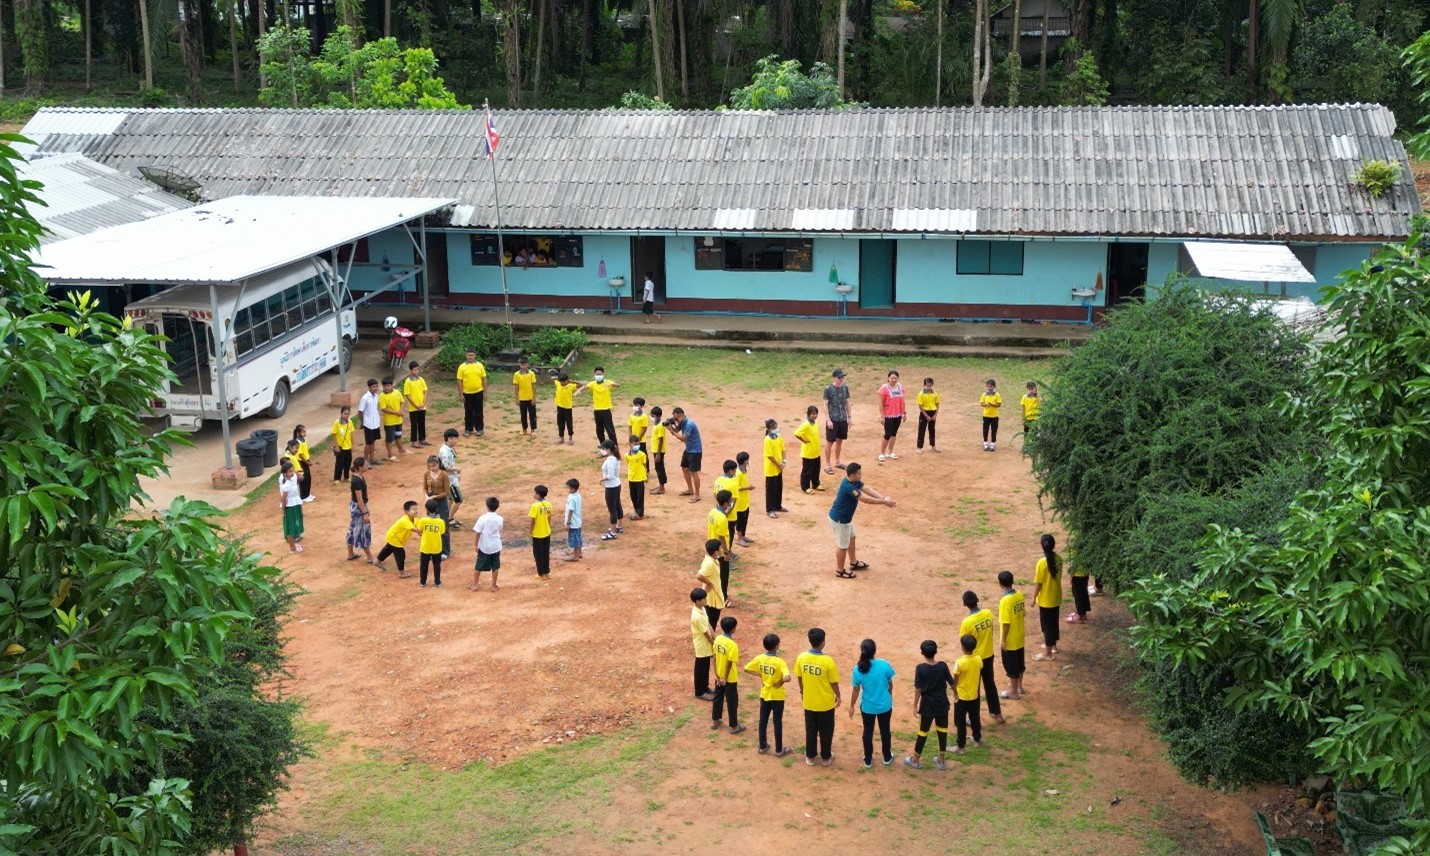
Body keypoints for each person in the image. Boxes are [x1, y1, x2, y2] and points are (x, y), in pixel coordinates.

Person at [827, 462, 896, 579]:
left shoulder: (854, 481)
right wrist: (884, 502)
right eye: (859, 474)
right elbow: (864, 498)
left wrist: (883, 497)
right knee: (842, 545)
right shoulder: (848, 487)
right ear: (852, 475)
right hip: (840, 520)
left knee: (852, 537)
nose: (860, 475)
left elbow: (867, 489)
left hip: (845, 519)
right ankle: (840, 570)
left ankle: (853, 562)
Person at [904, 639, 954, 770]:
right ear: (936, 651)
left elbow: (918, 689)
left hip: (927, 705)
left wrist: (915, 705)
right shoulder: (942, 666)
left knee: (923, 731)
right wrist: (956, 694)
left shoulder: (920, 668)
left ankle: (915, 759)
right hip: (942, 702)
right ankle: (941, 761)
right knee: (942, 731)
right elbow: (952, 682)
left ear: (922, 653)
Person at [795, 627, 841, 766]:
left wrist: (803, 692)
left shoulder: (802, 658)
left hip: (809, 701)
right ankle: (826, 757)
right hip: (825, 704)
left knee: (810, 729)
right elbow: (833, 682)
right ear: (823, 642)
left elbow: (799, 677)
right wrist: (838, 695)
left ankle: (810, 756)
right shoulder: (828, 661)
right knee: (826, 731)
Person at [959, 591, 1006, 724]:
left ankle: (973, 719)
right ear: (977, 599)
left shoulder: (967, 622)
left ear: (964, 604)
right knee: (990, 684)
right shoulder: (988, 613)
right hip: (988, 655)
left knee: (974, 689)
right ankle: (997, 714)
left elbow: (965, 641)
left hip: (975, 659)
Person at [849, 638, 896, 769]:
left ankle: (868, 759)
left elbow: (856, 689)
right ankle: (887, 757)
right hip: (885, 705)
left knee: (867, 731)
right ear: (874, 651)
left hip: (868, 707)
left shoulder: (858, 669)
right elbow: (890, 685)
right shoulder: (884, 665)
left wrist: (852, 706)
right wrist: (889, 697)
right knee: (885, 731)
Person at [744, 633, 793, 756]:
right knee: (777, 722)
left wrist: (760, 675)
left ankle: (762, 746)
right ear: (777, 646)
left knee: (763, 721)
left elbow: (746, 668)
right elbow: (788, 677)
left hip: (764, 694)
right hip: (777, 696)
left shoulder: (760, 658)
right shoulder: (780, 662)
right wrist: (780, 681)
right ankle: (779, 750)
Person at [711, 616, 746, 734]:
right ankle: (733, 726)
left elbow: (714, 657)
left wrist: (716, 675)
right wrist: (725, 678)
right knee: (732, 701)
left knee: (717, 698)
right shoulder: (732, 645)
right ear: (733, 629)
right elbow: (730, 663)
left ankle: (715, 720)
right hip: (729, 678)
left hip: (718, 675)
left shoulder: (718, 639)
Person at [1033, 533, 1063, 660]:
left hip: (1046, 599)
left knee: (1047, 626)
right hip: (1056, 596)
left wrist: (1033, 598)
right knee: (1053, 622)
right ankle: (1053, 646)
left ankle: (1048, 653)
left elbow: (1039, 583)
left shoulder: (1042, 563)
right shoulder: (1059, 559)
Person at [998, 570, 1027, 700]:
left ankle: (1013, 692)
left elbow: (1006, 623)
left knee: (1011, 666)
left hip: (1011, 639)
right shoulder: (1019, 595)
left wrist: (1003, 640)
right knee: (1020, 663)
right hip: (1020, 635)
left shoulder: (1005, 601)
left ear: (1000, 584)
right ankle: (1020, 687)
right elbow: (1023, 614)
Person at [952, 634, 983, 752]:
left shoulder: (959, 662)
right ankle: (977, 740)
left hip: (962, 697)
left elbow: (955, 680)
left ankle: (960, 747)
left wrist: (955, 693)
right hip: (974, 695)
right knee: (975, 718)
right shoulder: (979, 659)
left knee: (960, 722)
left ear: (962, 647)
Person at [375, 501, 419, 578]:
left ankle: (377, 561)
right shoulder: (405, 520)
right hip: (394, 538)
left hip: (394, 537)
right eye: (413, 509)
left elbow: (419, 529)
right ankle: (401, 573)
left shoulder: (415, 519)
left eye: (416, 509)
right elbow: (415, 529)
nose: (416, 511)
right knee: (400, 554)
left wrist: (423, 534)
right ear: (406, 511)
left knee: (388, 549)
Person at [578, 367, 619, 449]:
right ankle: (603, 449)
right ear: (594, 375)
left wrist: (613, 384)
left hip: (606, 410)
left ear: (603, 374)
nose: (598, 376)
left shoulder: (607, 382)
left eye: (600, 374)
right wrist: (579, 391)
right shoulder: (593, 384)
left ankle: (615, 447)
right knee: (599, 431)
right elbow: (586, 387)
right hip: (597, 410)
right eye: (597, 374)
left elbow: (617, 385)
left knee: (610, 431)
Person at [822, 369, 852, 474]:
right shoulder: (828, 389)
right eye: (839, 377)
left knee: (840, 441)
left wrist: (849, 417)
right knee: (830, 442)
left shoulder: (845, 388)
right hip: (833, 419)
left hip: (842, 418)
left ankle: (837, 461)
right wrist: (828, 419)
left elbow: (847, 402)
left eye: (842, 377)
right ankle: (827, 464)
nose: (841, 379)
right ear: (834, 378)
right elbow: (825, 404)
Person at [422, 455, 453, 559]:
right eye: (430, 466)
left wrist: (436, 496)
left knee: (443, 526)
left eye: (434, 466)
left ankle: (445, 551)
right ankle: (434, 550)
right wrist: (426, 496)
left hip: (441, 502)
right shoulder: (426, 474)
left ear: (438, 464)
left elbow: (447, 492)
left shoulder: (444, 474)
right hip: (430, 501)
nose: (432, 468)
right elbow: (425, 488)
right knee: (431, 526)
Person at [670, 407, 703, 502]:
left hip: (695, 451)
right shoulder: (682, 422)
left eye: (676, 418)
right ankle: (690, 489)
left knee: (693, 472)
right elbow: (676, 431)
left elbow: (683, 438)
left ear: (681, 415)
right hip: (689, 449)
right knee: (684, 468)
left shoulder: (689, 424)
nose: (675, 420)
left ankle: (697, 494)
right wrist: (670, 427)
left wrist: (671, 431)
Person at [345, 457, 375, 563]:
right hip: (359, 507)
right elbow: (359, 499)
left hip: (356, 506)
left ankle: (350, 553)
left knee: (353, 529)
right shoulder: (357, 480)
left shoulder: (358, 477)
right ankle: (370, 556)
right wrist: (365, 512)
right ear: (360, 467)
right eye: (365, 465)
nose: (367, 466)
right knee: (363, 530)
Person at [707, 491, 735, 602]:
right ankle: (723, 597)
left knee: (715, 573)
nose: (732, 501)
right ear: (725, 503)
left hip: (711, 547)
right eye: (730, 500)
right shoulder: (722, 518)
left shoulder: (712, 512)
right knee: (723, 575)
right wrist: (727, 552)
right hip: (720, 551)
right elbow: (722, 537)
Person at [472, 496, 503, 591]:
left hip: (484, 545)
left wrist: (476, 545)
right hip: (495, 545)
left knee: (478, 565)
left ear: (487, 506)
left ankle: (475, 584)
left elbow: (478, 533)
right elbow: (499, 528)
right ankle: (493, 585)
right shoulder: (500, 519)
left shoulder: (483, 518)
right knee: (495, 566)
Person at [690, 588, 716, 701]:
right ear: (697, 601)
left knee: (705, 667)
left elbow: (708, 624)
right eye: (703, 599)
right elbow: (706, 633)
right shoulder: (697, 616)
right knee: (700, 668)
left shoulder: (702, 609)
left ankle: (705, 688)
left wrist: (715, 638)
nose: (706, 600)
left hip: (706, 644)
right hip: (702, 644)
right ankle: (700, 692)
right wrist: (713, 643)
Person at [695, 538, 726, 630]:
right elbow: (699, 575)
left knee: (710, 621)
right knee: (711, 622)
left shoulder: (712, 560)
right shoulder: (710, 564)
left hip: (712, 596)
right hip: (713, 599)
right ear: (716, 552)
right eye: (720, 548)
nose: (722, 549)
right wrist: (709, 583)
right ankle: (709, 641)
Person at [455, 349, 487, 437]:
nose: (470, 357)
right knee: (468, 412)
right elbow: (459, 381)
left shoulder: (479, 365)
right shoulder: (462, 367)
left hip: (478, 392)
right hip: (467, 393)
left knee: (479, 411)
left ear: (475, 355)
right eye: (468, 355)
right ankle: (468, 429)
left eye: (472, 355)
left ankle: (480, 429)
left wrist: (485, 392)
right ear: (466, 355)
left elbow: (484, 379)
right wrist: (461, 394)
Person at [876, 370, 906, 462]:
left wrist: (904, 413)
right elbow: (880, 403)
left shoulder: (900, 387)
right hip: (888, 415)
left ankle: (890, 451)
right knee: (888, 434)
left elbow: (902, 401)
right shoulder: (884, 388)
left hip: (897, 414)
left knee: (894, 434)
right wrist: (882, 416)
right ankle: (882, 452)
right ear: (888, 378)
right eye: (892, 378)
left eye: (895, 378)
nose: (893, 380)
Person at [416, 498, 447, 587]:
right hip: (436, 547)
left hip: (425, 547)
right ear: (437, 509)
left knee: (424, 565)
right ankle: (437, 582)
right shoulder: (440, 522)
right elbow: (442, 533)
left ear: (427, 510)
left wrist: (424, 535)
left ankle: (422, 582)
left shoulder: (423, 520)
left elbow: (419, 531)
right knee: (437, 565)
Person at [598, 440, 624, 541]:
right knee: (617, 505)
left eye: (604, 449)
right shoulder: (616, 458)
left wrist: (602, 479)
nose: (603, 451)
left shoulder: (610, 460)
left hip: (611, 487)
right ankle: (619, 526)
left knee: (612, 509)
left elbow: (610, 476)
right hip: (617, 484)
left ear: (609, 449)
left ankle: (612, 533)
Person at [438, 429, 464, 528]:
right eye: (455, 439)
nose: (457, 441)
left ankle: (446, 518)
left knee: (451, 500)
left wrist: (456, 475)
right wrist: (456, 470)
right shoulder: (445, 451)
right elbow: (444, 467)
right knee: (458, 500)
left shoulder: (448, 449)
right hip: (449, 481)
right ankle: (449, 519)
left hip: (451, 478)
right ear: (449, 439)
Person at [795, 406, 823, 494]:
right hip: (808, 452)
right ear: (808, 414)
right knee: (807, 471)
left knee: (816, 469)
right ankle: (805, 487)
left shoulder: (815, 423)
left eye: (816, 414)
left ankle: (816, 484)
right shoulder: (806, 424)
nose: (814, 416)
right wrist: (804, 440)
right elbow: (796, 433)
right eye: (813, 414)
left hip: (816, 451)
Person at [378, 377, 407, 461]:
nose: (387, 387)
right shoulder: (382, 396)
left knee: (398, 436)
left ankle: (401, 450)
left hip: (398, 420)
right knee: (389, 438)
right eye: (385, 386)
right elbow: (384, 409)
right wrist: (397, 413)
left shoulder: (397, 392)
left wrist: (400, 411)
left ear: (391, 385)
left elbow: (402, 401)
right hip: (389, 422)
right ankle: (390, 455)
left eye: (388, 385)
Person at [714, 460, 740, 553]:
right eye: (734, 470)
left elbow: (715, 495)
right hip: (729, 516)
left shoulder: (718, 480)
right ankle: (728, 554)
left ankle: (725, 552)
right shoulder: (733, 484)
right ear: (730, 471)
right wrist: (726, 514)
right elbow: (733, 502)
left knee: (720, 535)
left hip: (718, 511)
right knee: (729, 536)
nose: (735, 472)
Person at [762, 418, 787, 517]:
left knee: (778, 487)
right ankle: (770, 509)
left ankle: (777, 505)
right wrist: (778, 464)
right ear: (769, 429)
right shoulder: (767, 440)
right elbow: (769, 456)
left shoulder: (779, 437)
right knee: (771, 489)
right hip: (771, 469)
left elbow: (783, 449)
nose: (776, 428)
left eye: (776, 426)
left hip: (779, 468)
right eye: (773, 427)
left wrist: (784, 461)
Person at [278, 459, 304, 553]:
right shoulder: (286, 485)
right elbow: (284, 498)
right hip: (290, 506)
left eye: (293, 470)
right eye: (290, 471)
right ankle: (292, 548)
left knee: (295, 523)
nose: (293, 472)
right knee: (290, 526)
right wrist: (283, 509)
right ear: (285, 473)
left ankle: (293, 544)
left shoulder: (292, 479)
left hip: (295, 504)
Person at [402, 360, 429, 448]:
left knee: (422, 423)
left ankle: (422, 439)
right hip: (413, 408)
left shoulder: (421, 379)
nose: (417, 371)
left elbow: (425, 391)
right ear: (410, 370)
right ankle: (414, 441)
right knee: (414, 424)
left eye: (418, 369)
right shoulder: (408, 381)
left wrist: (424, 403)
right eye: (415, 370)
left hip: (422, 406)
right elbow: (407, 395)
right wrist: (416, 405)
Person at [357, 378, 383, 466]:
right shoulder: (365, 398)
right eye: (373, 387)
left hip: (375, 422)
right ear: (369, 387)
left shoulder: (376, 396)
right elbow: (360, 411)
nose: (375, 388)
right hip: (368, 423)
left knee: (373, 441)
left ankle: (372, 458)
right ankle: (365, 460)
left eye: (376, 386)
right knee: (368, 442)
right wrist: (362, 422)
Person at [530, 484, 553, 580]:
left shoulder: (535, 506)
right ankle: (547, 572)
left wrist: (531, 531)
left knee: (538, 554)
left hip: (538, 533)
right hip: (547, 531)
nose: (533, 494)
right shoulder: (548, 504)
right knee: (545, 552)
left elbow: (533, 520)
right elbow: (549, 518)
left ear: (538, 495)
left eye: (535, 493)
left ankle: (541, 574)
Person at [553, 371, 580, 446]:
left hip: (568, 408)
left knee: (569, 423)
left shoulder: (571, 386)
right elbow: (552, 378)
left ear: (567, 380)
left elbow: (581, 385)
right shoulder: (558, 383)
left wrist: (571, 381)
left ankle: (570, 438)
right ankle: (561, 438)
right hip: (560, 407)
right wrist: (558, 378)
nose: (562, 383)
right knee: (560, 423)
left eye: (564, 381)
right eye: (561, 381)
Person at [625, 435, 648, 519]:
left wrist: (646, 477)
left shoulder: (642, 454)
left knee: (640, 496)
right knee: (633, 495)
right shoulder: (627, 455)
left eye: (638, 444)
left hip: (640, 478)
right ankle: (636, 510)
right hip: (631, 477)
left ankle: (640, 513)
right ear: (630, 444)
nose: (637, 446)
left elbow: (644, 465)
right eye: (635, 444)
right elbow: (629, 464)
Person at [513, 357, 538, 435]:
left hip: (530, 398)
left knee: (532, 414)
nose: (523, 366)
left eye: (524, 364)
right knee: (523, 415)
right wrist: (517, 398)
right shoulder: (516, 374)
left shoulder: (531, 374)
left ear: (527, 365)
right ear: (519, 365)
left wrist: (534, 398)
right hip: (522, 398)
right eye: (521, 365)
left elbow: (533, 386)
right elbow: (516, 387)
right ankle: (524, 429)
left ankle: (533, 429)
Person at [734, 451, 754, 546]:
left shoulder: (744, 470)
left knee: (745, 519)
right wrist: (748, 487)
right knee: (740, 521)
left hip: (745, 501)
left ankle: (743, 536)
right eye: (747, 460)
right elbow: (736, 487)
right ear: (744, 461)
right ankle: (739, 538)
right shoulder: (738, 473)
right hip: (739, 502)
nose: (748, 462)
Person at [331, 405, 355, 483]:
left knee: (348, 462)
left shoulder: (350, 422)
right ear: (341, 414)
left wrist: (352, 444)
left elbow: (351, 433)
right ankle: (337, 478)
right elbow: (334, 434)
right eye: (345, 414)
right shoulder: (337, 423)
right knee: (339, 463)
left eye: (348, 414)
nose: (346, 416)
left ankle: (346, 476)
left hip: (348, 446)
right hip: (340, 447)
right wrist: (336, 446)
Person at [916, 377, 940, 454]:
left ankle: (933, 446)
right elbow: (920, 406)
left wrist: (935, 415)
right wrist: (926, 416)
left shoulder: (935, 393)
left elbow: (937, 404)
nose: (928, 388)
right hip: (924, 413)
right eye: (927, 386)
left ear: (932, 385)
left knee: (932, 429)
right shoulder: (921, 394)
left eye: (930, 386)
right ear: (924, 385)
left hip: (932, 412)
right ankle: (919, 447)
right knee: (922, 430)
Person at [649, 405, 669, 495]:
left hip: (658, 451)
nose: (652, 418)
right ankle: (661, 486)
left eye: (653, 416)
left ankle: (662, 488)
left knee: (659, 468)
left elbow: (660, 440)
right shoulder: (656, 424)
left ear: (659, 416)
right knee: (658, 468)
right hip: (655, 450)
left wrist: (658, 454)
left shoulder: (660, 426)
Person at [1068, 548, 1092, 623]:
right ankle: (1084, 615)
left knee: (1078, 595)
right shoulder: (1086, 547)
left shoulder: (1074, 549)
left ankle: (1081, 616)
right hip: (1085, 574)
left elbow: (1074, 564)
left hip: (1077, 575)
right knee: (1084, 593)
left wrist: (1071, 577)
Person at [291, 427, 314, 501]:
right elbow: (300, 455)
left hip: (305, 460)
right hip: (301, 462)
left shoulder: (303, 441)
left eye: (305, 431)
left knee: (308, 478)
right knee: (304, 478)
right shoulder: (298, 442)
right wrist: (307, 462)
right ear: (298, 433)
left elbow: (305, 452)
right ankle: (304, 496)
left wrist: (309, 459)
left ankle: (307, 494)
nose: (305, 433)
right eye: (303, 432)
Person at [562, 478, 583, 561]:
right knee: (578, 537)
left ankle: (575, 556)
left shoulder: (571, 498)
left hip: (573, 522)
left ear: (573, 488)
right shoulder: (578, 495)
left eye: (568, 488)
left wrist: (568, 522)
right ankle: (579, 553)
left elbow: (570, 511)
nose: (567, 489)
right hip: (578, 521)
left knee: (574, 539)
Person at [980, 378, 1002, 452]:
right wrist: (985, 404)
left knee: (994, 430)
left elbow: (999, 404)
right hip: (986, 415)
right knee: (985, 430)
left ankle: (993, 444)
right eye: (988, 386)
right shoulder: (984, 394)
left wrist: (991, 404)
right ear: (986, 386)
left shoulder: (997, 395)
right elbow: (981, 403)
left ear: (994, 387)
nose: (990, 388)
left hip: (994, 416)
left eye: (991, 387)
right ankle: (985, 443)